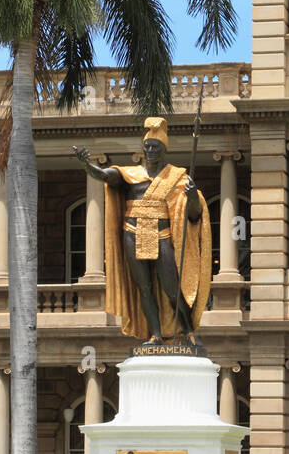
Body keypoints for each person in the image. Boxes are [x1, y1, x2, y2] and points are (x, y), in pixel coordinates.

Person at [75, 118, 211, 345]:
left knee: (171, 287)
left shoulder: (177, 177)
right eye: (147, 147)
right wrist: (86, 165)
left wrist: (192, 196)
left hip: (162, 234)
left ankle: (187, 331)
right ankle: (155, 334)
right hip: (133, 232)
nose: (150, 151)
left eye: (155, 147)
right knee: (144, 288)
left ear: (163, 150)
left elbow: (194, 215)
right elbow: (104, 176)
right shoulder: (130, 174)